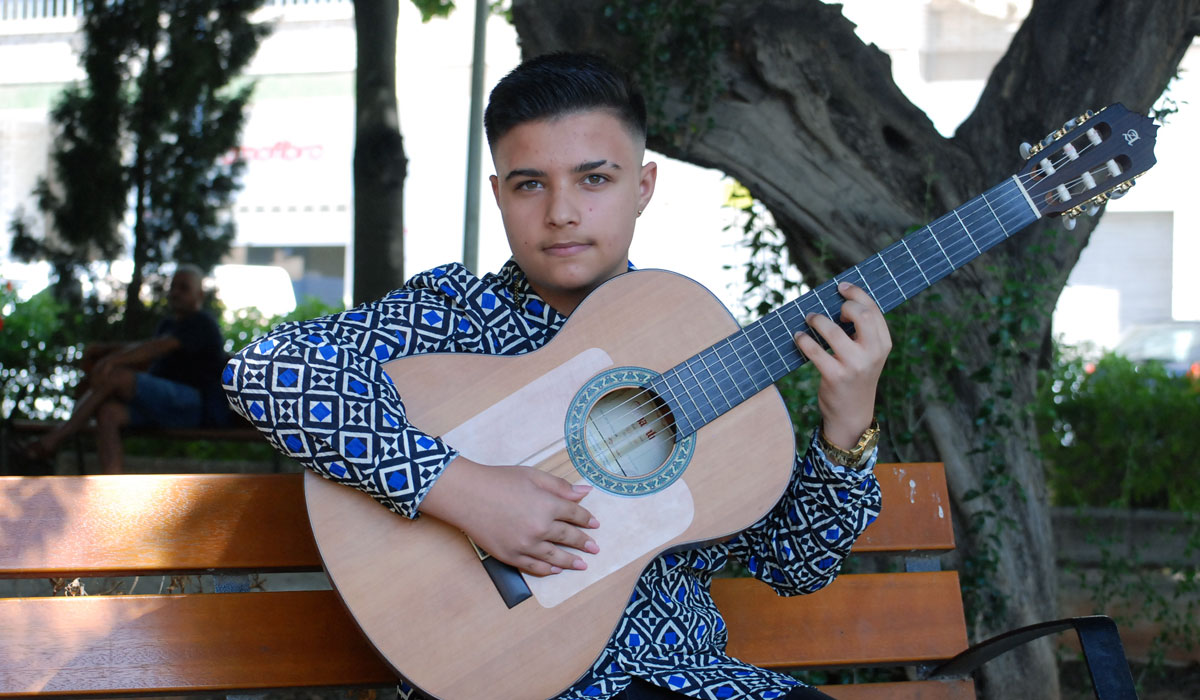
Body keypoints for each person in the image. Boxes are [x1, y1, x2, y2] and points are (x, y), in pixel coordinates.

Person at [224, 53, 891, 700]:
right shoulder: (453, 318)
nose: (562, 212)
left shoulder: (691, 338)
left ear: (644, 186)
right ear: (499, 194)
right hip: (498, 676)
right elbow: (264, 372)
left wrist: (848, 428)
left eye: (594, 179)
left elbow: (795, 566)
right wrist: (460, 489)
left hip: (690, 680)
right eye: (530, 183)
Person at [27, 264, 235, 474]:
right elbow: (147, 350)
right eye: (173, 287)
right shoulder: (167, 325)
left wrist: (111, 360)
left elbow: (156, 348)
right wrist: (104, 351)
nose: (175, 293)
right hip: (164, 406)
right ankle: (112, 488)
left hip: (196, 406)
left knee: (117, 377)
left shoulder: (203, 323)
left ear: (199, 294)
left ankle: (55, 439)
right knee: (108, 413)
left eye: (184, 288)